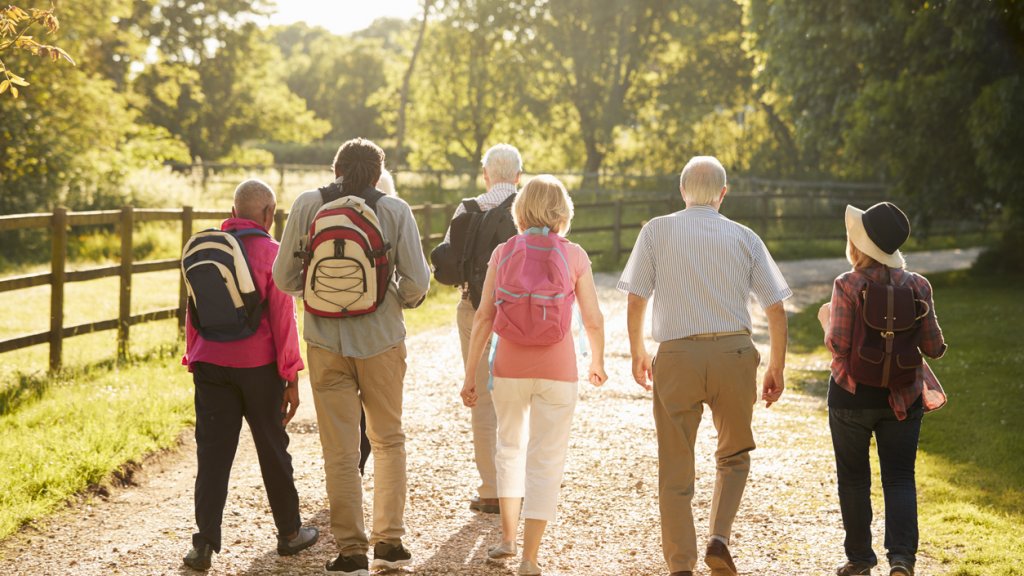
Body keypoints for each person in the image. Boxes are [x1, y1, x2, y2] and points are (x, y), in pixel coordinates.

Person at [618, 156, 791, 576]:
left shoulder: (656, 230)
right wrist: (777, 367)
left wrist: (638, 350)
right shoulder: (745, 236)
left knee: (675, 464)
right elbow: (775, 308)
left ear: (682, 191)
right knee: (734, 454)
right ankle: (719, 537)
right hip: (734, 355)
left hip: (677, 356)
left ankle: (681, 564)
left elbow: (636, 297)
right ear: (722, 194)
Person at [273, 139, 431, 576]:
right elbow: (417, 281)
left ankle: (351, 552)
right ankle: (390, 542)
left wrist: (323, 296)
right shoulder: (395, 209)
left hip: (325, 342)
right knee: (388, 439)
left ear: (336, 168)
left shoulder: (307, 204)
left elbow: (284, 277)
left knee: (340, 450)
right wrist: (393, 299)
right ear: (379, 174)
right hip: (382, 340)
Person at [460, 174, 607, 576]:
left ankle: (506, 539)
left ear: (520, 211)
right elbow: (593, 318)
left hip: (508, 367)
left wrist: (471, 374)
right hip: (559, 370)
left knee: (509, 448)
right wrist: (598, 360)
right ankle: (529, 558)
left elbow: (484, 316)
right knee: (546, 458)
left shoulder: (504, 251)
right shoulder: (574, 254)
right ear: (563, 213)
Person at [181, 179, 318, 571]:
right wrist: (291, 376)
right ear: (268, 214)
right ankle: (290, 534)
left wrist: (193, 356)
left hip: (209, 364)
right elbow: (282, 320)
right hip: (258, 369)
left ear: (234, 210)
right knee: (272, 449)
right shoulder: (272, 254)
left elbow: (194, 310)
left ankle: (203, 545)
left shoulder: (207, 248)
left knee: (212, 454)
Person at [817, 202, 947, 576]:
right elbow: (934, 348)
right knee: (899, 476)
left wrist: (826, 318)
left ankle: (859, 559)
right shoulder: (918, 285)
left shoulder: (847, 284)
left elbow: (839, 345)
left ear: (859, 245)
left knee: (854, 477)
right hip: (903, 396)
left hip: (850, 396)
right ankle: (902, 560)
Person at [444, 143, 523, 515]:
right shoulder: (530, 206)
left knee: (481, 396)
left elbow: (448, 262)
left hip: (474, 308)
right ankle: (519, 487)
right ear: (518, 177)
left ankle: (491, 489)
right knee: (520, 397)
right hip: (524, 314)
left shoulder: (468, 208)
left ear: (486, 175)